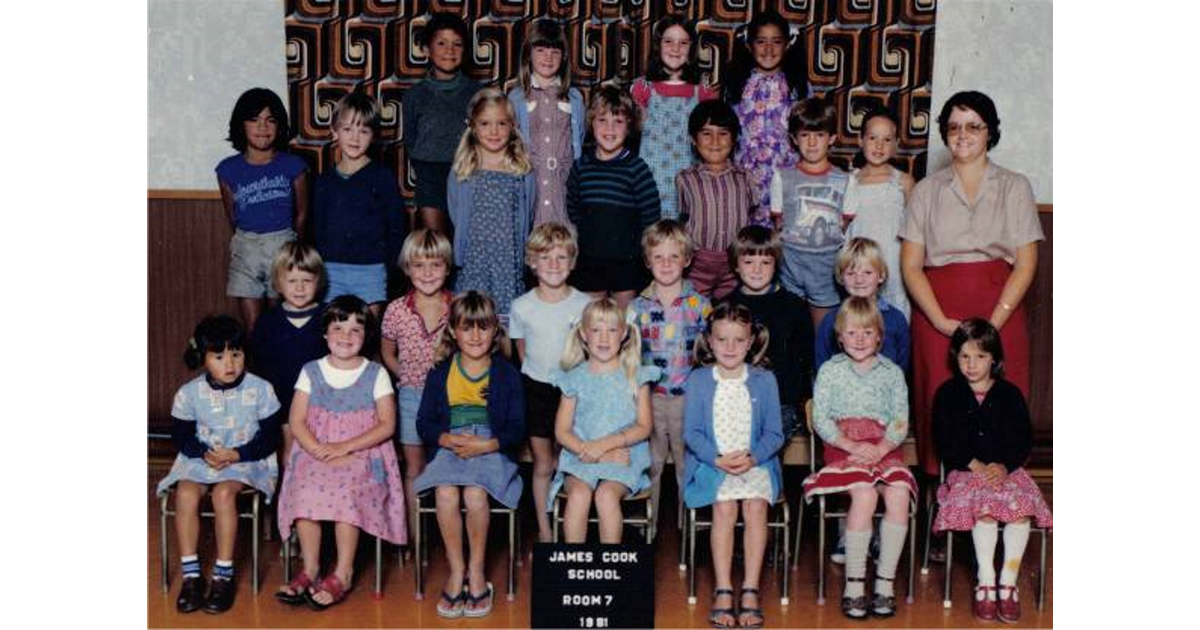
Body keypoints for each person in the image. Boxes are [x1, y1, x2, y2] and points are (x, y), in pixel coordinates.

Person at [899, 90, 1044, 477]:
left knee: (1001, 402)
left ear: (990, 132)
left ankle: (1000, 494)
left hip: (1001, 307)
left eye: (973, 126)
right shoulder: (926, 190)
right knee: (941, 402)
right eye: (954, 127)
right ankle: (942, 497)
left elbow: (1026, 263)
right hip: (938, 310)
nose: (963, 135)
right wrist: (938, 320)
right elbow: (911, 265)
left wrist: (994, 323)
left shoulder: (1015, 186)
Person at [275, 296, 406, 610]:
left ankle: (343, 572)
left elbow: (387, 425)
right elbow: (297, 420)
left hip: (362, 451)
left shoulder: (376, 373)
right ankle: (310, 568)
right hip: (316, 449)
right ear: (325, 333)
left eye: (355, 330)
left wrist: (344, 447)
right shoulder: (311, 371)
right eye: (338, 328)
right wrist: (318, 449)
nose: (346, 336)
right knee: (304, 485)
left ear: (366, 336)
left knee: (347, 489)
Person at [157, 315, 281, 614]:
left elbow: (270, 437)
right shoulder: (189, 393)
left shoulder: (261, 389)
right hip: (202, 459)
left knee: (224, 494)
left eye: (236, 354)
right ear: (203, 357)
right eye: (219, 356)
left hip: (246, 459)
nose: (230, 364)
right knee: (186, 493)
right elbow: (182, 435)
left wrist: (238, 454)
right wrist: (203, 452)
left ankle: (223, 574)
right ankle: (191, 575)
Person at [413, 291, 525, 619]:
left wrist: (487, 445)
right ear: (453, 331)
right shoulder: (440, 373)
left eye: (483, 327)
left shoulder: (506, 374)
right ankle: (456, 569)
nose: (475, 336)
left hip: (491, 446)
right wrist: (446, 438)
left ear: (495, 331)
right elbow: (424, 423)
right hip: (452, 444)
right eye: (466, 327)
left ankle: (476, 571)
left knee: (476, 495)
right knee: (446, 493)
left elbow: (517, 427)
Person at [802, 297, 915, 620]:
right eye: (852, 333)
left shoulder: (891, 373)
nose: (860, 340)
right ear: (840, 337)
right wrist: (850, 445)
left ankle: (884, 582)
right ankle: (854, 585)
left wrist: (882, 447)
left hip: (884, 449)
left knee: (898, 494)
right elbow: (821, 419)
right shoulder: (830, 371)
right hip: (843, 448)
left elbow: (900, 420)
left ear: (879, 336)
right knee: (864, 496)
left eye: (867, 332)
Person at [932, 319, 1052, 623]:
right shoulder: (948, 394)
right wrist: (973, 463)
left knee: (1020, 510)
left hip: (1006, 473)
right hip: (966, 473)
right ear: (955, 357)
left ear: (994, 359)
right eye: (964, 356)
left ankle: (1007, 585)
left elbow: (1022, 439)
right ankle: (985, 582)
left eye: (980, 356)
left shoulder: (1009, 394)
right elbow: (944, 439)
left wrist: (1004, 465)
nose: (971, 364)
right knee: (984, 510)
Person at [682, 303, 784, 629]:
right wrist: (717, 459)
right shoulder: (699, 380)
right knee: (724, 509)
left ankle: (751, 589)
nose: (730, 347)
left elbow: (775, 433)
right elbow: (692, 433)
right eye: (722, 339)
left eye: (739, 340)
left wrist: (753, 458)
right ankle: (724, 588)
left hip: (756, 464)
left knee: (755, 506)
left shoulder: (764, 379)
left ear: (751, 341)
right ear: (709, 341)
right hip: (713, 464)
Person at [509, 222, 594, 542]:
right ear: (532, 262)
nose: (554, 265)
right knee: (544, 463)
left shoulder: (584, 304)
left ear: (572, 262)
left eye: (561, 257)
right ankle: (545, 533)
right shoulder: (521, 306)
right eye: (545, 257)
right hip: (537, 391)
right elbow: (523, 354)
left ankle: (572, 531)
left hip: (575, 391)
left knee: (572, 462)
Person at [549, 298, 658, 543]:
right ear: (583, 335)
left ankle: (609, 561)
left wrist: (607, 445)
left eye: (612, 330)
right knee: (578, 496)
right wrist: (595, 453)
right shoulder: (573, 379)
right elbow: (562, 431)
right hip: (581, 456)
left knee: (606, 496)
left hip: (623, 458)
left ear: (624, 334)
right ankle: (575, 562)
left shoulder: (636, 376)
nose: (604, 338)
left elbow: (644, 426)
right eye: (596, 330)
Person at [631, 220, 712, 534]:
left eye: (674, 257)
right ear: (647, 261)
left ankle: (687, 527)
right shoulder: (636, 308)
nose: (666, 264)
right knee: (650, 463)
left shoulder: (700, 305)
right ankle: (647, 526)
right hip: (649, 399)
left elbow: (711, 354)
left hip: (686, 399)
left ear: (687, 259)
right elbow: (627, 355)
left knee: (685, 463)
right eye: (659, 257)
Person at [380, 229, 454, 541]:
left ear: (447, 267)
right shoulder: (396, 309)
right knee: (415, 467)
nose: (427, 273)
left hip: (451, 398)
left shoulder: (457, 305)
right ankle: (414, 537)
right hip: (411, 396)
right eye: (419, 265)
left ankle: (445, 535)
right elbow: (387, 352)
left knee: (447, 464)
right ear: (407, 268)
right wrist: (405, 376)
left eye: (435, 265)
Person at [216, 88, 309, 332]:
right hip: (246, 248)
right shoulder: (227, 169)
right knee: (254, 329)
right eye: (254, 120)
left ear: (279, 126)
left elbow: (302, 213)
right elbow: (232, 216)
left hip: (283, 246)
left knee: (280, 323)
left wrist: (292, 248)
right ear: (241, 124)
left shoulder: (293, 165)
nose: (262, 127)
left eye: (270, 120)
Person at [312, 92, 408, 317]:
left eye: (364, 131)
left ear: (373, 135)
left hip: (371, 271)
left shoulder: (382, 177)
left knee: (368, 329)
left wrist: (390, 269)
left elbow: (396, 227)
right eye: (347, 129)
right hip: (331, 271)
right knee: (335, 328)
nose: (355, 138)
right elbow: (316, 229)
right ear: (334, 131)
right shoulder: (324, 181)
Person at [566, 84, 661, 308]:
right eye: (602, 120)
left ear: (629, 126)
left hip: (627, 262)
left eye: (618, 121)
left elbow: (650, 216)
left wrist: (644, 253)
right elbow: (573, 209)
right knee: (591, 316)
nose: (610, 128)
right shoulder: (581, 167)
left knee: (625, 317)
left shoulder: (637, 168)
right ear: (591, 123)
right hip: (590, 260)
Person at [447, 88, 536, 316]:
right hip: (474, 260)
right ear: (472, 126)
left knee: (506, 319)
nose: (494, 131)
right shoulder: (463, 169)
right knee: (473, 318)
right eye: (485, 123)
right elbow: (456, 213)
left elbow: (528, 213)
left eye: (502, 123)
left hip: (508, 261)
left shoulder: (522, 169)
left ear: (513, 125)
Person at [723, 225, 813, 439]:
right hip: (734, 400)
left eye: (765, 262)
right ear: (736, 265)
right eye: (749, 262)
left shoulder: (794, 306)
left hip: (780, 402)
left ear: (776, 265)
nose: (757, 270)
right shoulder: (725, 307)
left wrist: (806, 397)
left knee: (767, 451)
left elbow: (807, 357)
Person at [249, 241, 328, 476]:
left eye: (307, 280)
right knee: (288, 458)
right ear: (277, 284)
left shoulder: (329, 317)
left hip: (321, 407)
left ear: (319, 282)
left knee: (318, 459)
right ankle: (286, 498)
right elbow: (259, 368)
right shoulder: (267, 322)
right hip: (281, 406)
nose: (300, 288)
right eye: (292, 281)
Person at [722, 10, 807, 226]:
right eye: (761, 41)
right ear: (749, 45)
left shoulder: (798, 87)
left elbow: (809, 131)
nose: (768, 49)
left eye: (776, 42)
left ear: (787, 44)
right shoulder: (736, 86)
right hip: (746, 179)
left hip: (786, 178)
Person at [771, 96, 849, 329]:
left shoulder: (845, 180)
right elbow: (779, 224)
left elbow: (844, 226)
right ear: (794, 139)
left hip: (826, 271)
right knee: (789, 332)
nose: (812, 142)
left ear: (832, 138)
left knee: (823, 333)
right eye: (805, 135)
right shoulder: (782, 177)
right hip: (790, 269)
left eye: (820, 135)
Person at [402, 11, 484, 235]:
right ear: (426, 50)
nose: (450, 50)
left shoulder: (477, 93)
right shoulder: (415, 95)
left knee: (467, 239)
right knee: (436, 242)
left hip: (468, 174)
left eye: (457, 44)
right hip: (429, 177)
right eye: (441, 43)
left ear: (465, 51)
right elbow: (411, 139)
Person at [631, 15, 718, 221]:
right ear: (658, 45)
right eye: (668, 41)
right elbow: (633, 132)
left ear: (692, 48)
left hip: (687, 185)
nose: (675, 49)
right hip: (649, 183)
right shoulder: (643, 88)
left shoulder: (702, 91)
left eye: (683, 43)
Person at [507, 17, 586, 228]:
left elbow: (578, 139)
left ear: (564, 56)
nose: (548, 57)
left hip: (563, 187)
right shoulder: (516, 98)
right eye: (541, 49)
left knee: (563, 238)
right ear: (528, 54)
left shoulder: (574, 98)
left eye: (555, 51)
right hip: (530, 185)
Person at [677, 100, 756, 299]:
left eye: (723, 133)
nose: (715, 141)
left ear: (734, 139)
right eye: (706, 133)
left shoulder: (746, 177)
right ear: (693, 139)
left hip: (735, 262)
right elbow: (685, 216)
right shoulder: (685, 179)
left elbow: (751, 215)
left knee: (729, 310)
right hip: (698, 262)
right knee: (693, 308)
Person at [843, 106, 915, 320]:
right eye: (872, 138)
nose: (879, 145)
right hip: (859, 269)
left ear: (896, 144)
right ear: (860, 140)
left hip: (893, 265)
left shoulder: (903, 182)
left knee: (893, 321)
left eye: (887, 139)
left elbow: (914, 231)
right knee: (859, 322)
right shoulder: (849, 181)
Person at [814, 237, 910, 371]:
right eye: (851, 273)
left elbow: (902, 365)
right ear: (841, 277)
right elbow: (821, 366)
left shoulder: (896, 319)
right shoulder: (831, 321)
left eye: (867, 272)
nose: (859, 280)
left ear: (881, 275)